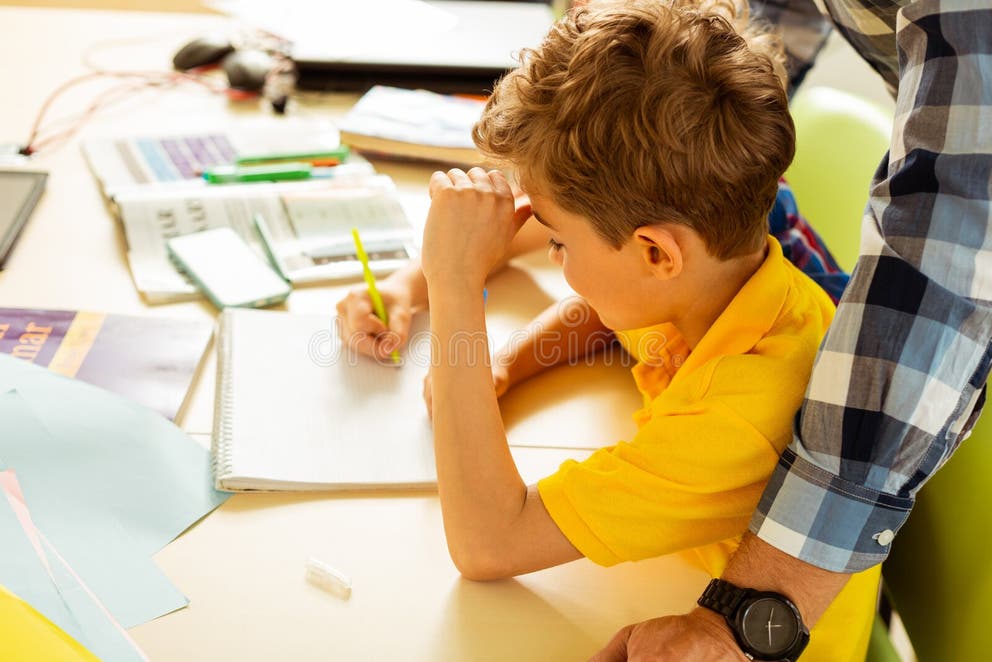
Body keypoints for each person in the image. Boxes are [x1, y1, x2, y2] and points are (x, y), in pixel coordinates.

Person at [389, 1, 876, 659]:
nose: (550, 252)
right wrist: (505, 364)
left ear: (655, 252)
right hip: (669, 587)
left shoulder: (734, 412)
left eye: (558, 242)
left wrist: (453, 291)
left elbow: (487, 543)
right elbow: (610, 310)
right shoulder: (732, 287)